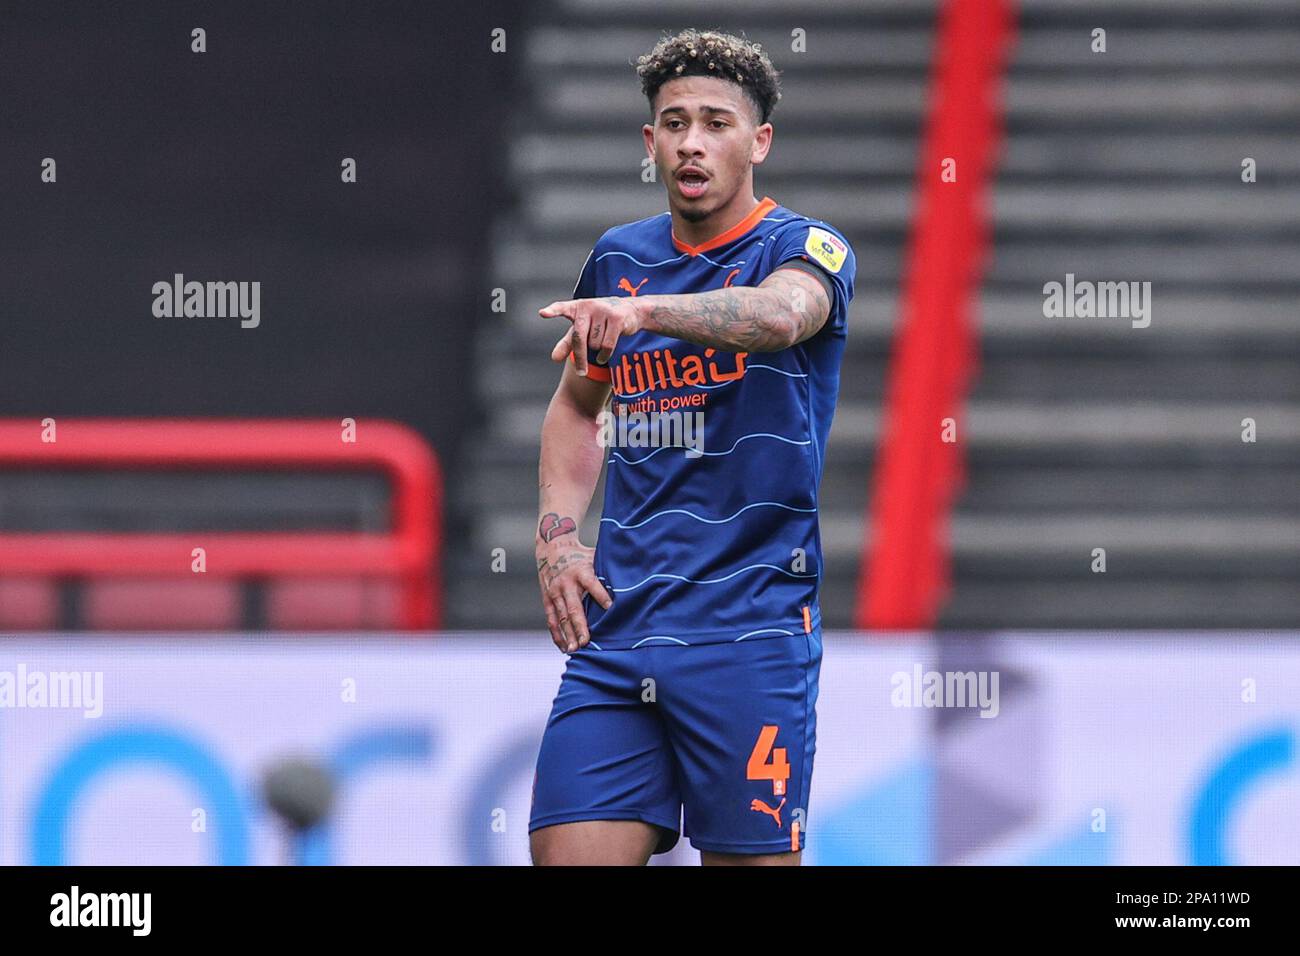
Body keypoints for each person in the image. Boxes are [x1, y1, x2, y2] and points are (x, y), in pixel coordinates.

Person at [529, 28, 857, 865]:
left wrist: (645, 314)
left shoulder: (805, 249)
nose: (693, 142)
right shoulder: (620, 256)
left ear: (760, 141)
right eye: (674, 124)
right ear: (650, 143)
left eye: (716, 122)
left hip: (749, 629)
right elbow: (577, 408)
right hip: (622, 625)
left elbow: (780, 318)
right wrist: (559, 540)